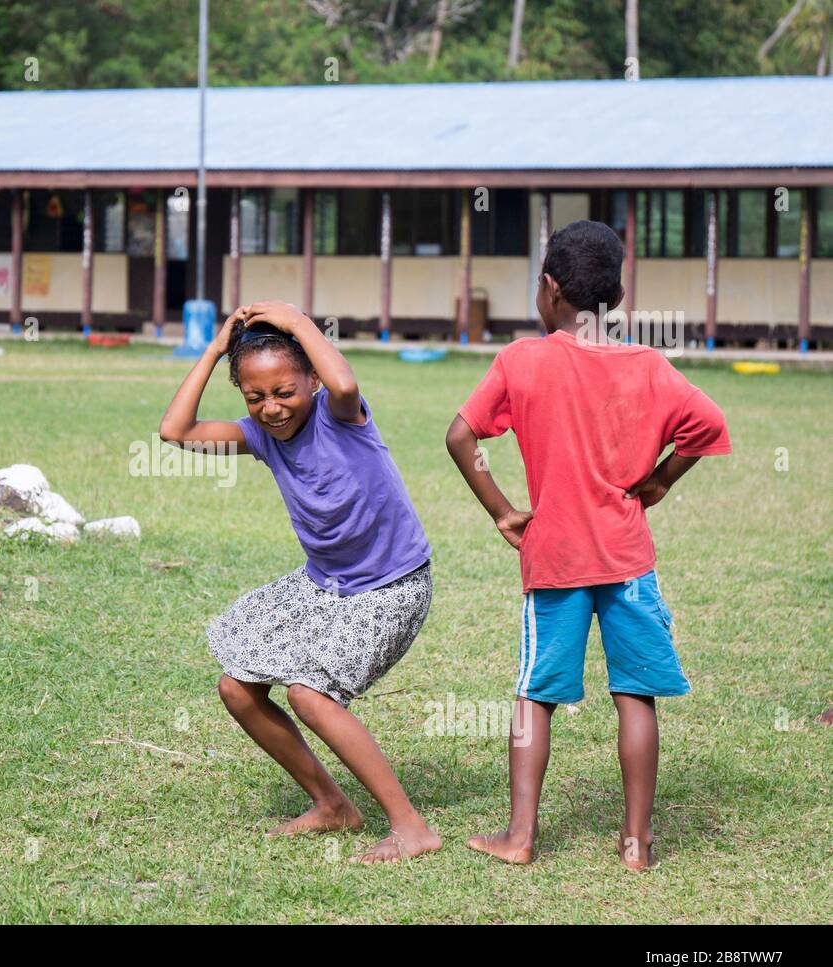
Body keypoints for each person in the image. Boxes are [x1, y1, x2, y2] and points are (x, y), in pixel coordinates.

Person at [445, 220, 731, 869]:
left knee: (536, 693)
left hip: (556, 556)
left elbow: (462, 437)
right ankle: (635, 842)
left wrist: (501, 510)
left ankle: (519, 836)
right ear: (618, 296)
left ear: (550, 288)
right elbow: (707, 425)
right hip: (627, 559)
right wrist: (659, 477)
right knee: (635, 694)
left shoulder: (522, 360)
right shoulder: (650, 365)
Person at [160, 301, 439, 863]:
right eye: (255, 396)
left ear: (310, 379)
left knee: (308, 694)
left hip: (391, 585)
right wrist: (215, 351)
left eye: (285, 391)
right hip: (325, 585)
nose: (271, 408)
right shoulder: (261, 435)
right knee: (236, 687)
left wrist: (293, 321)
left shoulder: (343, 415)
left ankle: (411, 826)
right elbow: (175, 431)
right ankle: (331, 804)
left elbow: (345, 379)